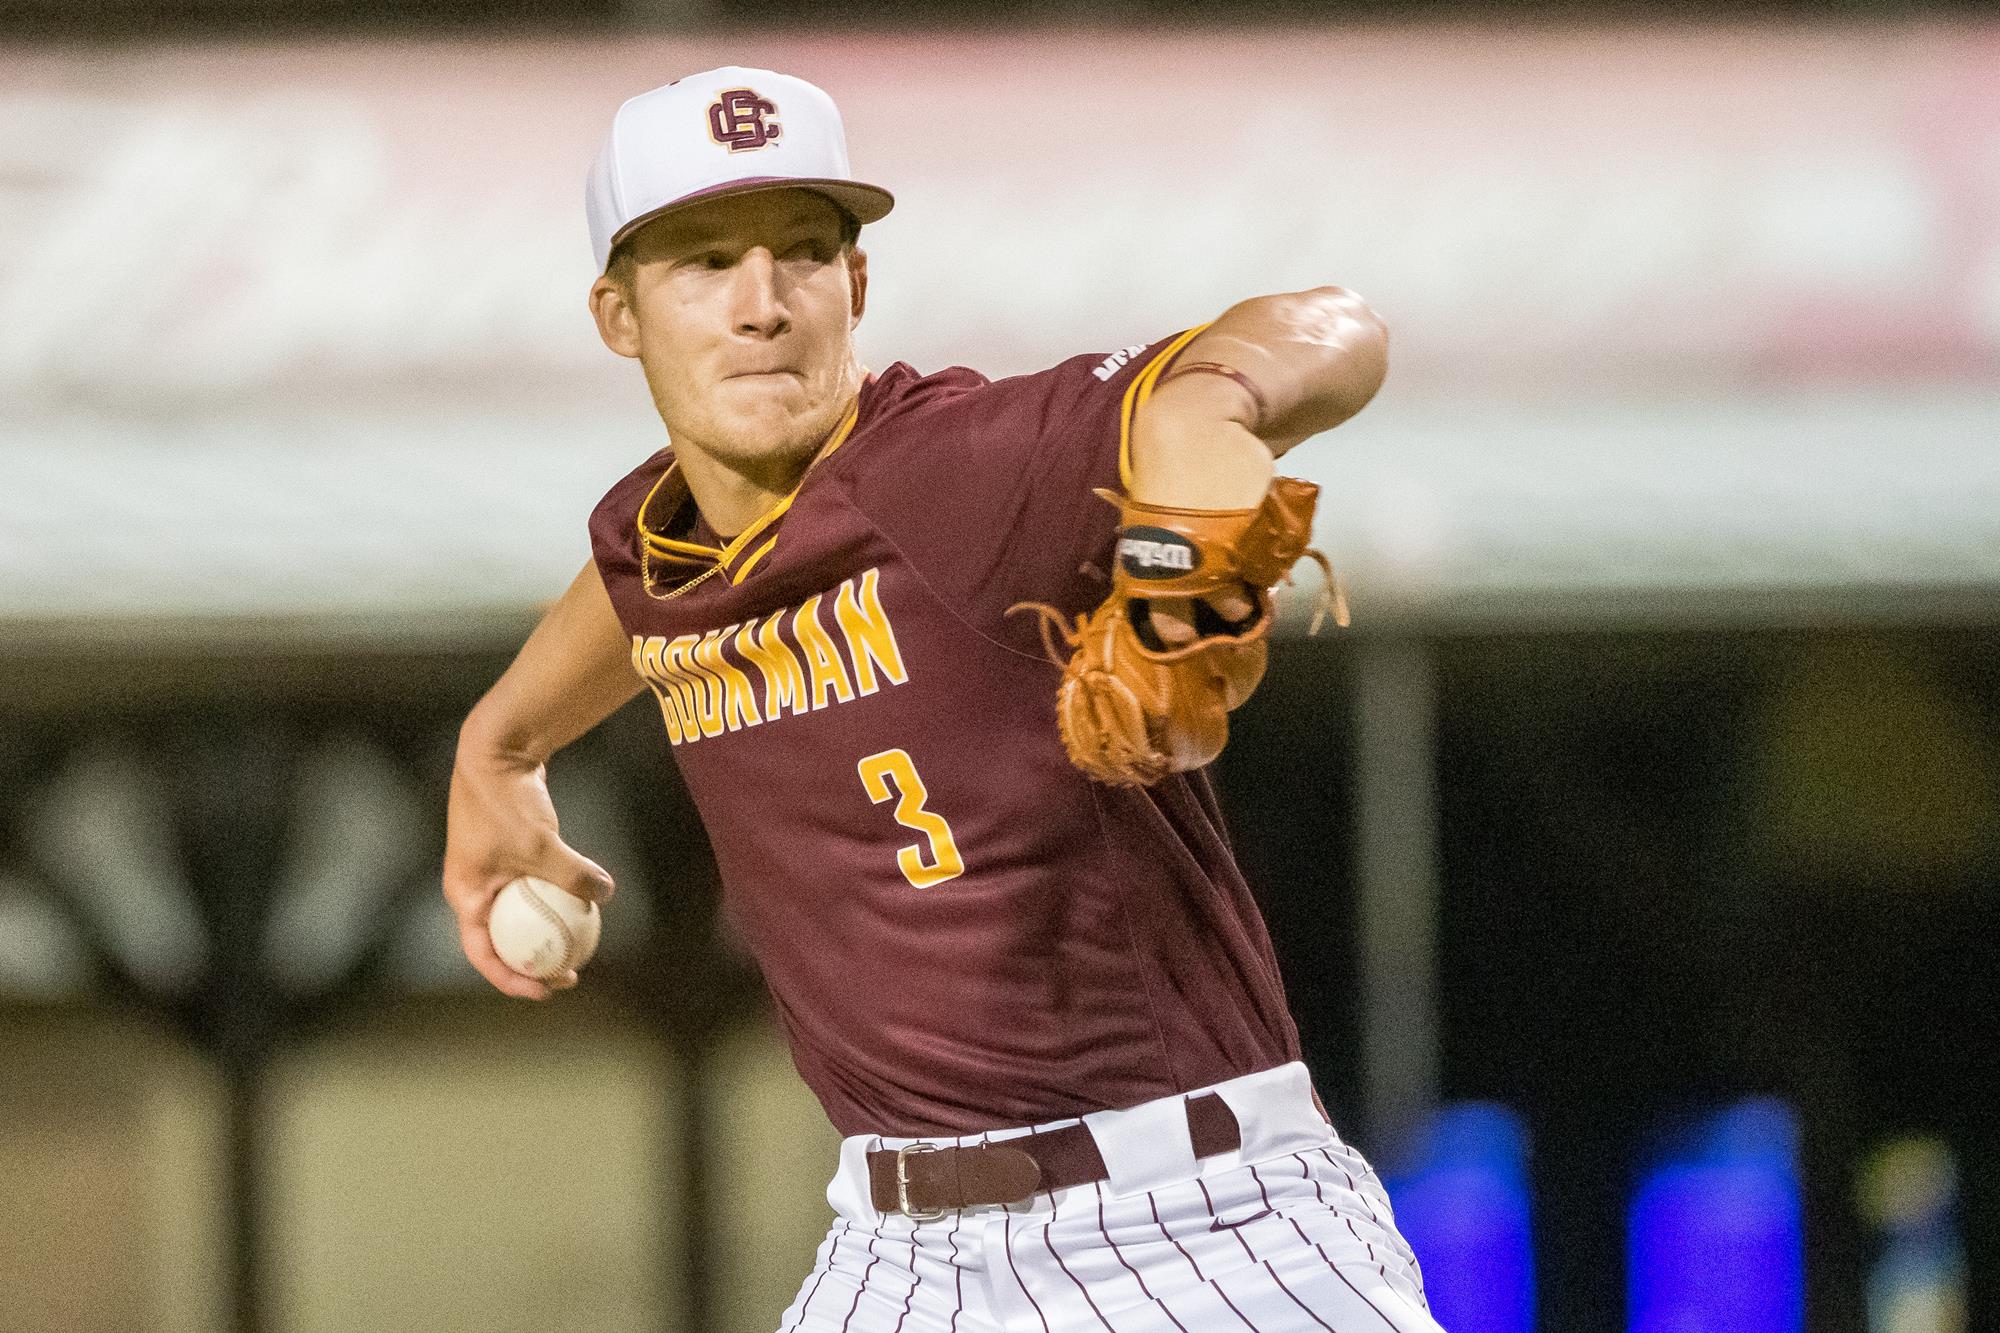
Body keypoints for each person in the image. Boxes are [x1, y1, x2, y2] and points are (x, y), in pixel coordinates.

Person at [444, 66, 1436, 1333]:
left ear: (855, 286)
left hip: (1197, 1223)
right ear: (617, 314)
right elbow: (636, 588)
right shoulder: (656, 540)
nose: (762, 304)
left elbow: (1332, 327)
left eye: (803, 253)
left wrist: (1208, 412)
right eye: (705, 263)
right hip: (897, 1253)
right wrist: (500, 744)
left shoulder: (958, 472)